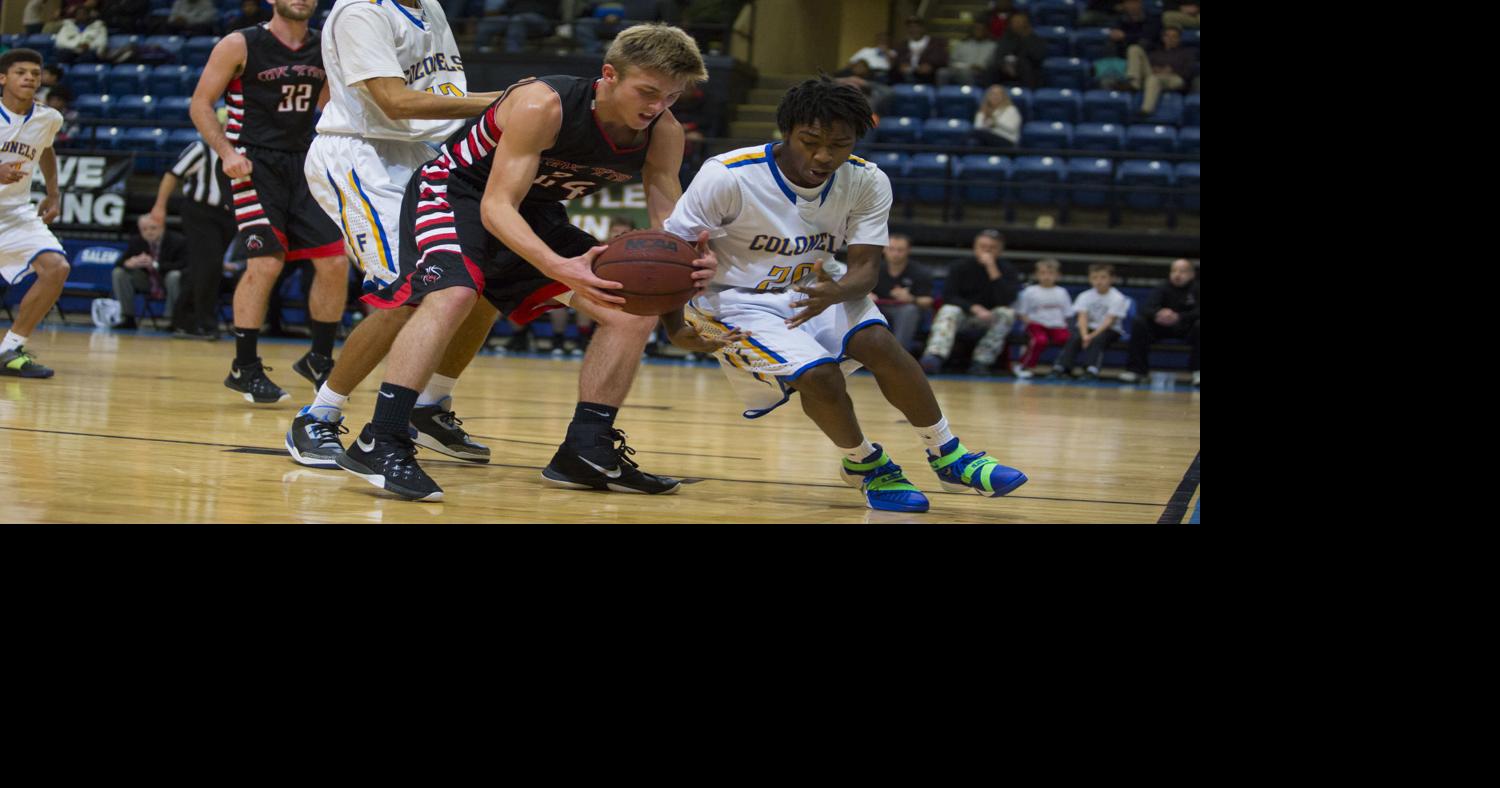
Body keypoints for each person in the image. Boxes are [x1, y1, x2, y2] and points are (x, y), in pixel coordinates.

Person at [335, 23, 717, 501]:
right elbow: (495, 206)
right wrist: (561, 266)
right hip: (457, 193)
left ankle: (585, 449)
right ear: (609, 75)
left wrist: (688, 270)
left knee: (626, 308)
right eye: (648, 91)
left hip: (535, 212)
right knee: (452, 293)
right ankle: (382, 437)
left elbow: (671, 225)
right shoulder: (544, 103)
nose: (657, 105)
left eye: (672, 96)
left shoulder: (663, 132)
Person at [660, 76, 1028, 512]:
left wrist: (835, 292)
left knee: (879, 343)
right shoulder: (727, 176)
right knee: (820, 376)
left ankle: (947, 453)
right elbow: (671, 256)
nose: (823, 155)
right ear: (786, 132)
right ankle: (865, 464)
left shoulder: (867, 180)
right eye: (810, 141)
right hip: (733, 297)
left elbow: (867, 270)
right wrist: (673, 327)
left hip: (816, 285)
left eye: (839, 144)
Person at [285, 0, 502, 468]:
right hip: (363, 156)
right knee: (408, 292)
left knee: (485, 280)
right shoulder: (361, 12)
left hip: (421, 152)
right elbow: (394, 100)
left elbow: (432, 93)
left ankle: (429, 406)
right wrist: (499, 101)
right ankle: (318, 416)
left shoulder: (430, 8)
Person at [189, 0, 349, 404]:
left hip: (303, 163)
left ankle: (318, 358)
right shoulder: (239, 44)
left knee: (334, 261)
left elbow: (328, 106)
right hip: (251, 162)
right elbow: (200, 104)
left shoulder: (324, 44)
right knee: (266, 261)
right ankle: (245, 366)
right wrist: (227, 153)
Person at [0, 49, 67, 379]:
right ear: (3, 78)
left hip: (13, 212)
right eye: (20, 72)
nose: (29, 78)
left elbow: (47, 150)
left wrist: (53, 193)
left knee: (56, 268)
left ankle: (9, 349)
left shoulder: (48, 118)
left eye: (35, 74)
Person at [147, 112, 236, 339]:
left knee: (204, 268)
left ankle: (183, 320)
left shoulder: (243, 151)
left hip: (227, 216)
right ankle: (205, 323)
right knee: (210, 265)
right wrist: (159, 206)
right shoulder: (200, 148)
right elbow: (172, 174)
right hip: (200, 212)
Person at [919, 229, 1020, 376]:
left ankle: (981, 362)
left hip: (990, 317)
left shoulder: (1008, 270)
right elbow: (949, 296)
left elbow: (1006, 300)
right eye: (983, 246)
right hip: (964, 315)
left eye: (992, 248)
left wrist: (992, 270)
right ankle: (934, 356)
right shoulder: (960, 267)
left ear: (1000, 250)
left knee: (1007, 313)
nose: (987, 251)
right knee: (948, 310)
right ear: (975, 247)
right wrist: (973, 307)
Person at [1118, 257, 1198, 387]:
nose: (1177, 274)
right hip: (1161, 327)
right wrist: (1159, 313)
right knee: (1140, 322)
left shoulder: (1196, 289)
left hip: (1187, 328)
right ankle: (1136, 371)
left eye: (1182, 271)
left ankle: (1198, 371)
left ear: (1191, 274)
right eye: (1174, 271)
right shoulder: (1162, 287)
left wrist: (1179, 317)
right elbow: (1147, 308)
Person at [1050, 263, 1129, 380]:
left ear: (1112, 279)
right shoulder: (1085, 296)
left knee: (1098, 339)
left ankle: (1091, 369)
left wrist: (1091, 336)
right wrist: (1084, 335)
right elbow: (1082, 317)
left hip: (1109, 329)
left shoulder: (1118, 297)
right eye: (1095, 278)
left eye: (1103, 277)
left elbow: (1109, 321)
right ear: (1090, 279)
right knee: (1074, 337)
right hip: (1087, 328)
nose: (1099, 281)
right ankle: (1062, 367)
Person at [111, 214, 188, 330]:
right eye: (144, 229)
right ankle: (127, 318)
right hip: (147, 281)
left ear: (162, 227)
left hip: (168, 281)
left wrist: (155, 264)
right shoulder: (136, 241)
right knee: (119, 273)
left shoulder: (178, 240)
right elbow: (119, 262)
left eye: (153, 228)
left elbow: (183, 265)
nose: (149, 232)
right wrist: (130, 262)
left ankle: (175, 320)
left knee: (174, 276)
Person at [871, 233, 933, 354]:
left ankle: (896, 355)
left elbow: (928, 301)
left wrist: (911, 299)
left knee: (909, 311)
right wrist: (866, 295)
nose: (895, 254)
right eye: (891, 249)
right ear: (884, 249)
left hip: (904, 310)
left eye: (900, 250)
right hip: (878, 308)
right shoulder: (874, 269)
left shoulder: (920, 271)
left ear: (908, 250)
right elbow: (858, 289)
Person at [1011, 258, 1071, 378]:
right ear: (1037, 275)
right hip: (1036, 324)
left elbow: (1068, 314)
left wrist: (1065, 326)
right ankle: (1023, 365)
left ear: (1058, 275)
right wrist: (1029, 323)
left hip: (1057, 325)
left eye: (1050, 273)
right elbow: (1021, 312)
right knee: (1039, 340)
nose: (1046, 276)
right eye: (1043, 273)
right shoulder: (1030, 291)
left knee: (1068, 340)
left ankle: (1061, 368)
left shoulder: (1062, 292)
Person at [1129, 26, 1196, 116]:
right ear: (1163, 38)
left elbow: (1190, 71)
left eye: (1174, 36)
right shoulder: (1156, 51)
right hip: (1154, 75)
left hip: (1175, 78)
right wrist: (1155, 69)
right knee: (1134, 49)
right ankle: (1134, 85)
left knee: (1153, 79)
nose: (1170, 39)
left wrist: (1172, 71)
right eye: (1167, 36)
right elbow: (1148, 66)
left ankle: (1146, 110)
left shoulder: (1186, 53)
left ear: (1179, 39)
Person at [576, 1, 665, 54]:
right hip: (600, 23)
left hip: (628, 23)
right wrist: (604, 15)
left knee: (642, 28)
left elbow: (651, 16)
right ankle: (596, 49)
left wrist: (618, 16)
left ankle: (625, 52)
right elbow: (589, 10)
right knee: (583, 24)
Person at [475, 0, 559, 54]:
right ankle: (481, 53)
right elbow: (506, 7)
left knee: (517, 20)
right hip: (514, 17)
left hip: (541, 19)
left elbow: (552, 9)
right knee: (488, 22)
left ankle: (513, 56)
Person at [989, 10, 1046, 89]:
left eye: (1019, 22)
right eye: (1014, 22)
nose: (1017, 24)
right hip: (1005, 69)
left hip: (1027, 70)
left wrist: (1026, 38)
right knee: (991, 69)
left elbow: (1038, 57)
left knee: (1026, 67)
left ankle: (1029, 96)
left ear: (1026, 23)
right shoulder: (1006, 39)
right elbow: (999, 55)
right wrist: (1004, 65)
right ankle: (988, 93)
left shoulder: (1035, 39)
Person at [894, 16, 948, 86]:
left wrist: (931, 65)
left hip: (929, 75)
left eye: (916, 27)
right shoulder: (903, 44)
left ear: (923, 28)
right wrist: (901, 65)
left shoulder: (935, 43)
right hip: (907, 74)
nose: (914, 30)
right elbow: (898, 59)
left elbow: (942, 59)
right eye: (910, 27)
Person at [938, 22, 996, 87]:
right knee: (942, 72)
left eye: (981, 29)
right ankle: (942, 95)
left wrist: (982, 67)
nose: (979, 31)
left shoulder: (993, 46)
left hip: (981, 73)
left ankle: (970, 95)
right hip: (959, 70)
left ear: (986, 30)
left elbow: (993, 63)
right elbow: (952, 61)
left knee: (966, 73)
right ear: (972, 30)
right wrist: (960, 66)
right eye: (976, 29)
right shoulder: (962, 44)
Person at [971, 84, 1020, 148]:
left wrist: (995, 123)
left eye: (998, 94)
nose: (995, 96)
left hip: (1007, 141)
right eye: (992, 94)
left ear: (1003, 96)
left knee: (975, 134)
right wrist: (986, 123)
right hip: (986, 139)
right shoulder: (982, 111)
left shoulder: (1011, 109)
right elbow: (977, 128)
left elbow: (1011, 128)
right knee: (973, 140)